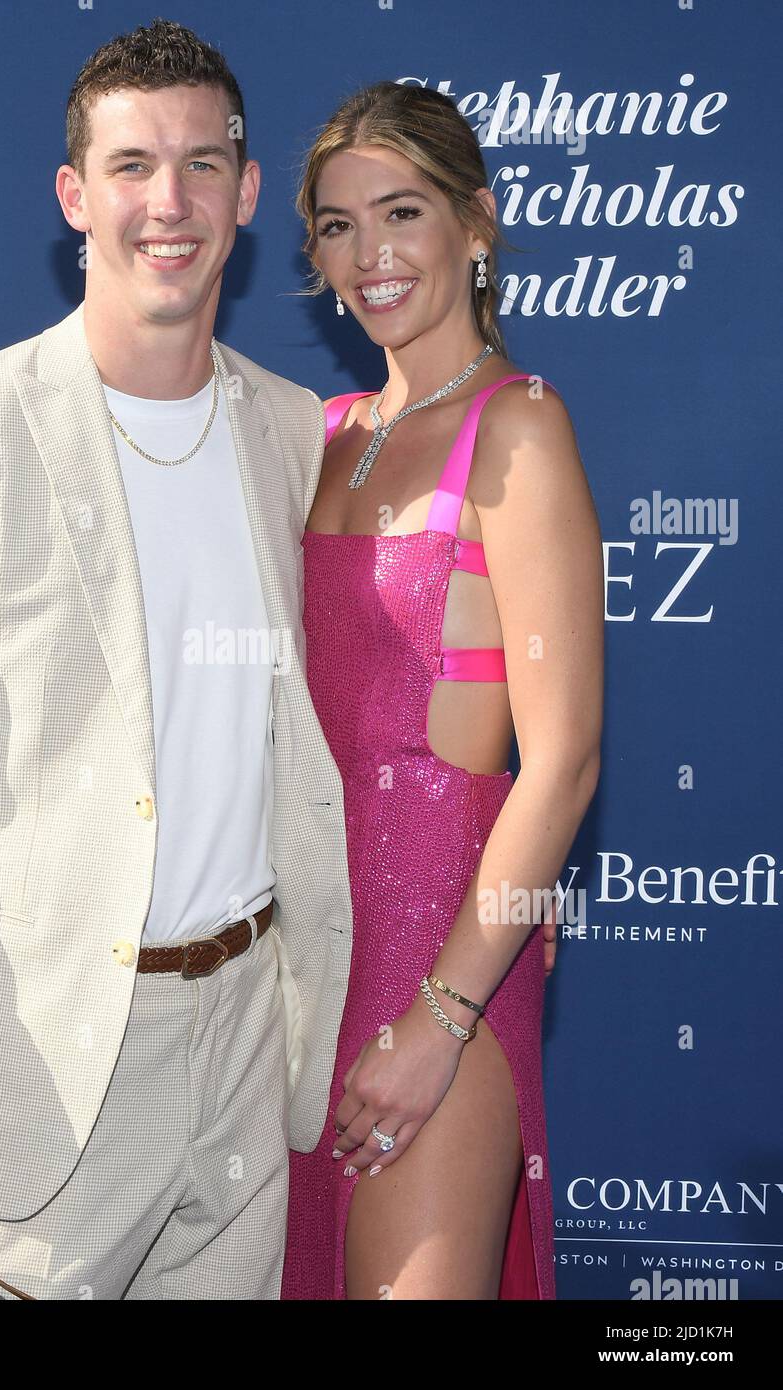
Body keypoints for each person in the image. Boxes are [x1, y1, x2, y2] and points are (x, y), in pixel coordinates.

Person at [0, 19, 354, 1300]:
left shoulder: (289, 432)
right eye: (129, 167)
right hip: (42, 1081)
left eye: (201, 163)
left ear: (247, 191)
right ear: (74, 196)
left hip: (244, 1059)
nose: (167, 203)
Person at [281, 81, 603, 1300]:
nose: (369, 256)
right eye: (334, 225)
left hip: (442, 956)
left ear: (474, 224)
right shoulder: (315, 431)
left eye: (400, 213)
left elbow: (560, 761)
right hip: (296, 966)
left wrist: (443, 1016)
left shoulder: (517, 427)